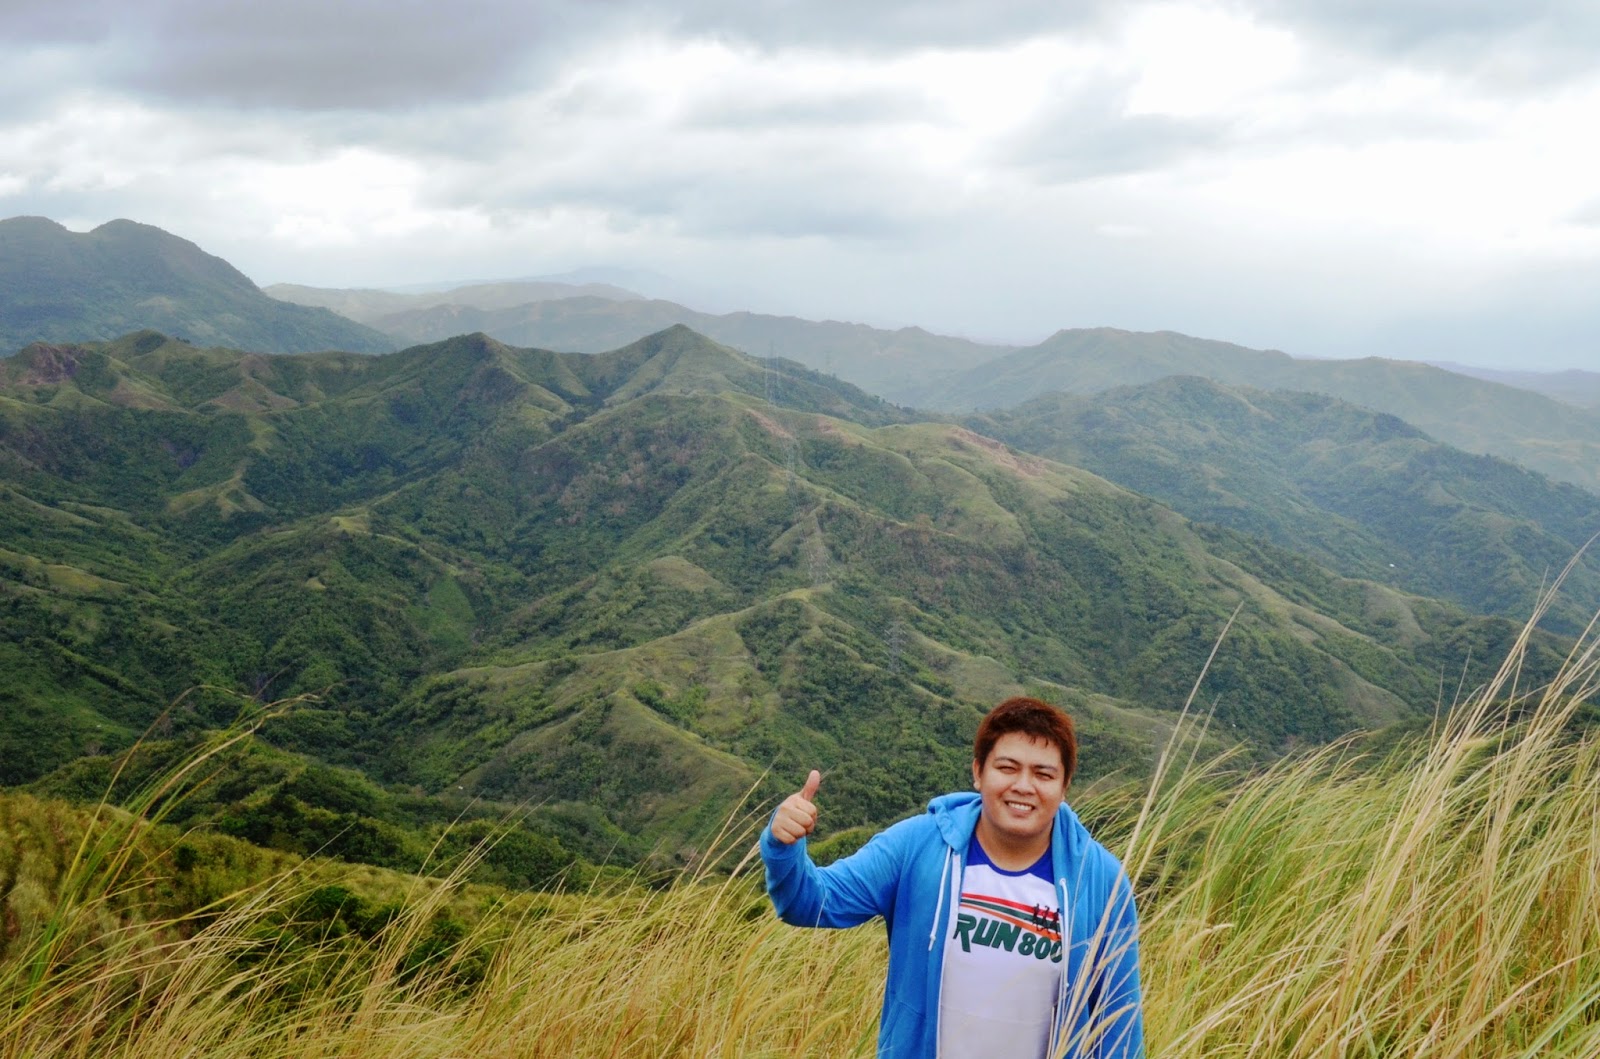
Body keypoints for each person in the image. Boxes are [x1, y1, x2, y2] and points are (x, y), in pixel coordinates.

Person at [760, 696, 1144, 1058]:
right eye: (1007, 768)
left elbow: (1120, 1025)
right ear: (978, 773)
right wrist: (783, 846)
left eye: (1043, 774)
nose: (1023, 786)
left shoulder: (1099, 881)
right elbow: (811, 902)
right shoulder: (918, 846)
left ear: (1064, 787)